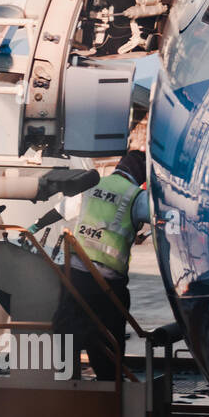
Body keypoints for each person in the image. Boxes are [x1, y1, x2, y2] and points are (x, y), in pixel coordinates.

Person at [52, 149, 150, 380]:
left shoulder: (93, 184)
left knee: (67, 330)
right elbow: (161, 219)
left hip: (76, 274)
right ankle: (109, 386)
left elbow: (62, 210)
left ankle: (67, 383)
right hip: (108, 283)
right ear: (140, 175)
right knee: (108, 339)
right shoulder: (136, 196)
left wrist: (36, 226)